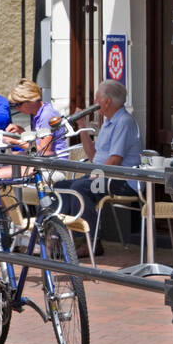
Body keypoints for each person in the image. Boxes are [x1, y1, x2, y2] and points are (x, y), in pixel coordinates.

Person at [59, 79, 144, 256]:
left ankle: (89, 242)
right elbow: (93, 156)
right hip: (104, 175)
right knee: (62, 187)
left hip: (123, 180)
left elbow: (115, 160)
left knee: (80, 187)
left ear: (107, 102)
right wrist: (82, 127)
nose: (94, 103)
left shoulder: (123, 122)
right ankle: (57, 238)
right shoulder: (108, 122)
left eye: (97, 98)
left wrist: (95, 175)